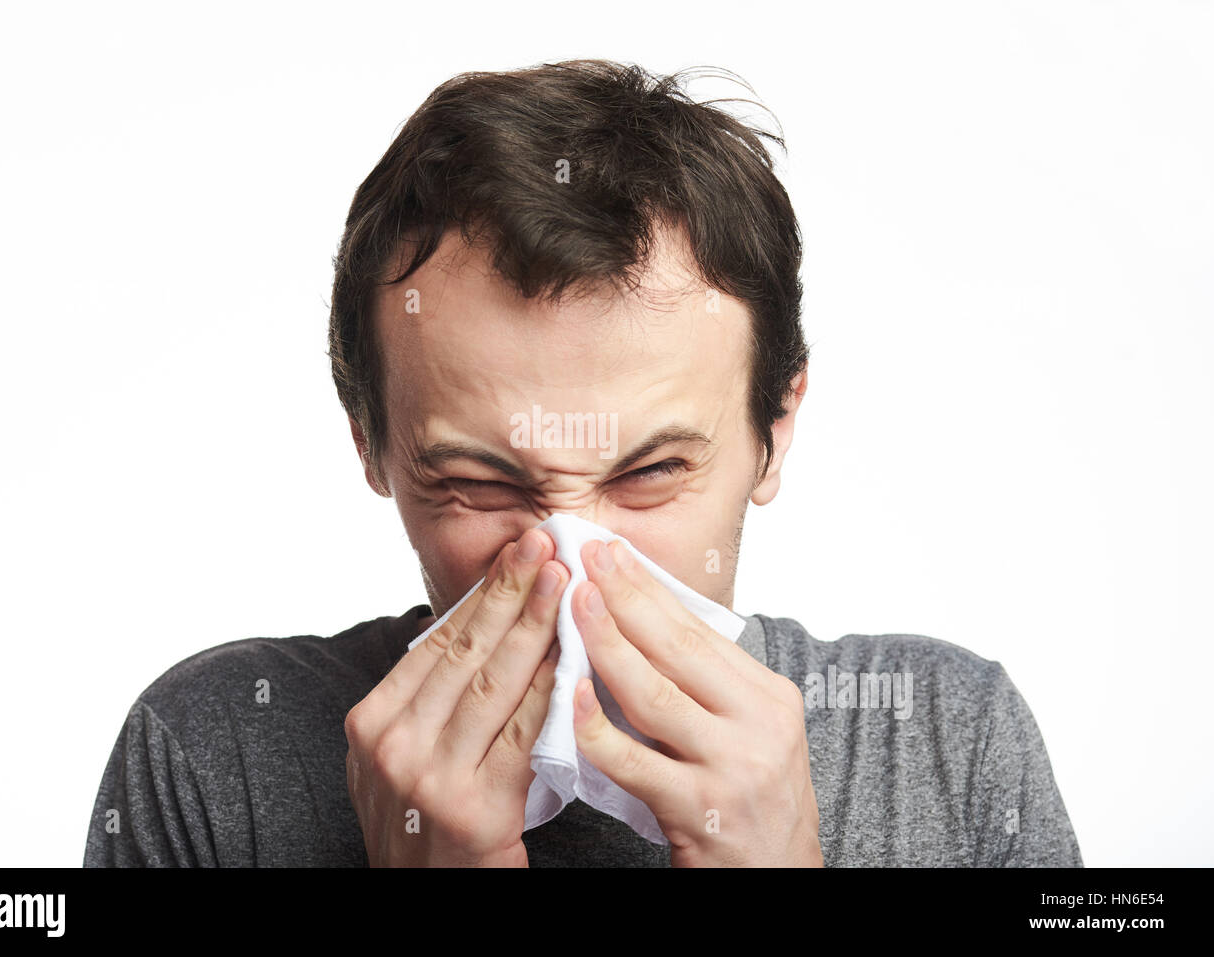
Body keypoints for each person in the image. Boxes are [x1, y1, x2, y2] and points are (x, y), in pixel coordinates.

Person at [83, 59, 1081, 867]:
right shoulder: (218, 755)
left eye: (649, 475)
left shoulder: (949, 744)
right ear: (368, 441)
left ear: (774, 432)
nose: (565, 559)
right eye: (477, 484)